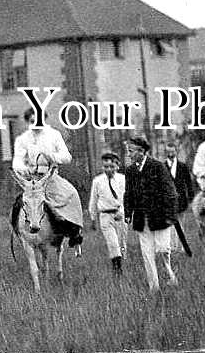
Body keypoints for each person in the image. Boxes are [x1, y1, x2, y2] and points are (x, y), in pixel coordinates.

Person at [10, 108, 84, 248]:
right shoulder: (22, 139)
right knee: (21, 204)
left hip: (50, 178)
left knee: (71, 193)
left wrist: (52, 155)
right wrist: (25, 169)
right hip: (31, 180)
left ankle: (74, 230)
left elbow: (67, 157)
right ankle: (18, 228)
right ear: (28, 122)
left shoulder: (54, 135)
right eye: (32, 121)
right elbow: (17, 161)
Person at [124, 135, 179, 293]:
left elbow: (170, 193)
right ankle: (153, 288)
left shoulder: (158, 167)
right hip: (142, 219)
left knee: (162, 250)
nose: (129, 154)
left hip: (161, 217)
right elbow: (128, 194)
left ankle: (170, 276)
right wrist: (128, 212)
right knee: (147, 254)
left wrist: (170, 215)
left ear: (141, 152)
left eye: (131, 151)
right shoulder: (130, 171)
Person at [88, 151, 126, 275]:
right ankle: (117, 269)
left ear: (117, 166)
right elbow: (93, 200)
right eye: (105, 167)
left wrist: (123, 212)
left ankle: (121, 261)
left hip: (120, 215)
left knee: (121, 244)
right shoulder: (98, 181)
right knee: (112, 242)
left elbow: (126, 198)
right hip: (105, 215)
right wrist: (93, 218)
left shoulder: (122, 179)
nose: (108, 169)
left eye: (111, 167)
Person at [164, 142, 195, 250]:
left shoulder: (183, 166)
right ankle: (172, 246)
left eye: (172, 151)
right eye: (168, 151)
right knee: (171, 224)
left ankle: (181, 246)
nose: (170, 153)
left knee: (181, 223)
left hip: (181, 200)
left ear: (176, 151)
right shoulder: (162, 167)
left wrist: (191, 198)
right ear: (166, 152)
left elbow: (189, 183)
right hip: (167, 201)